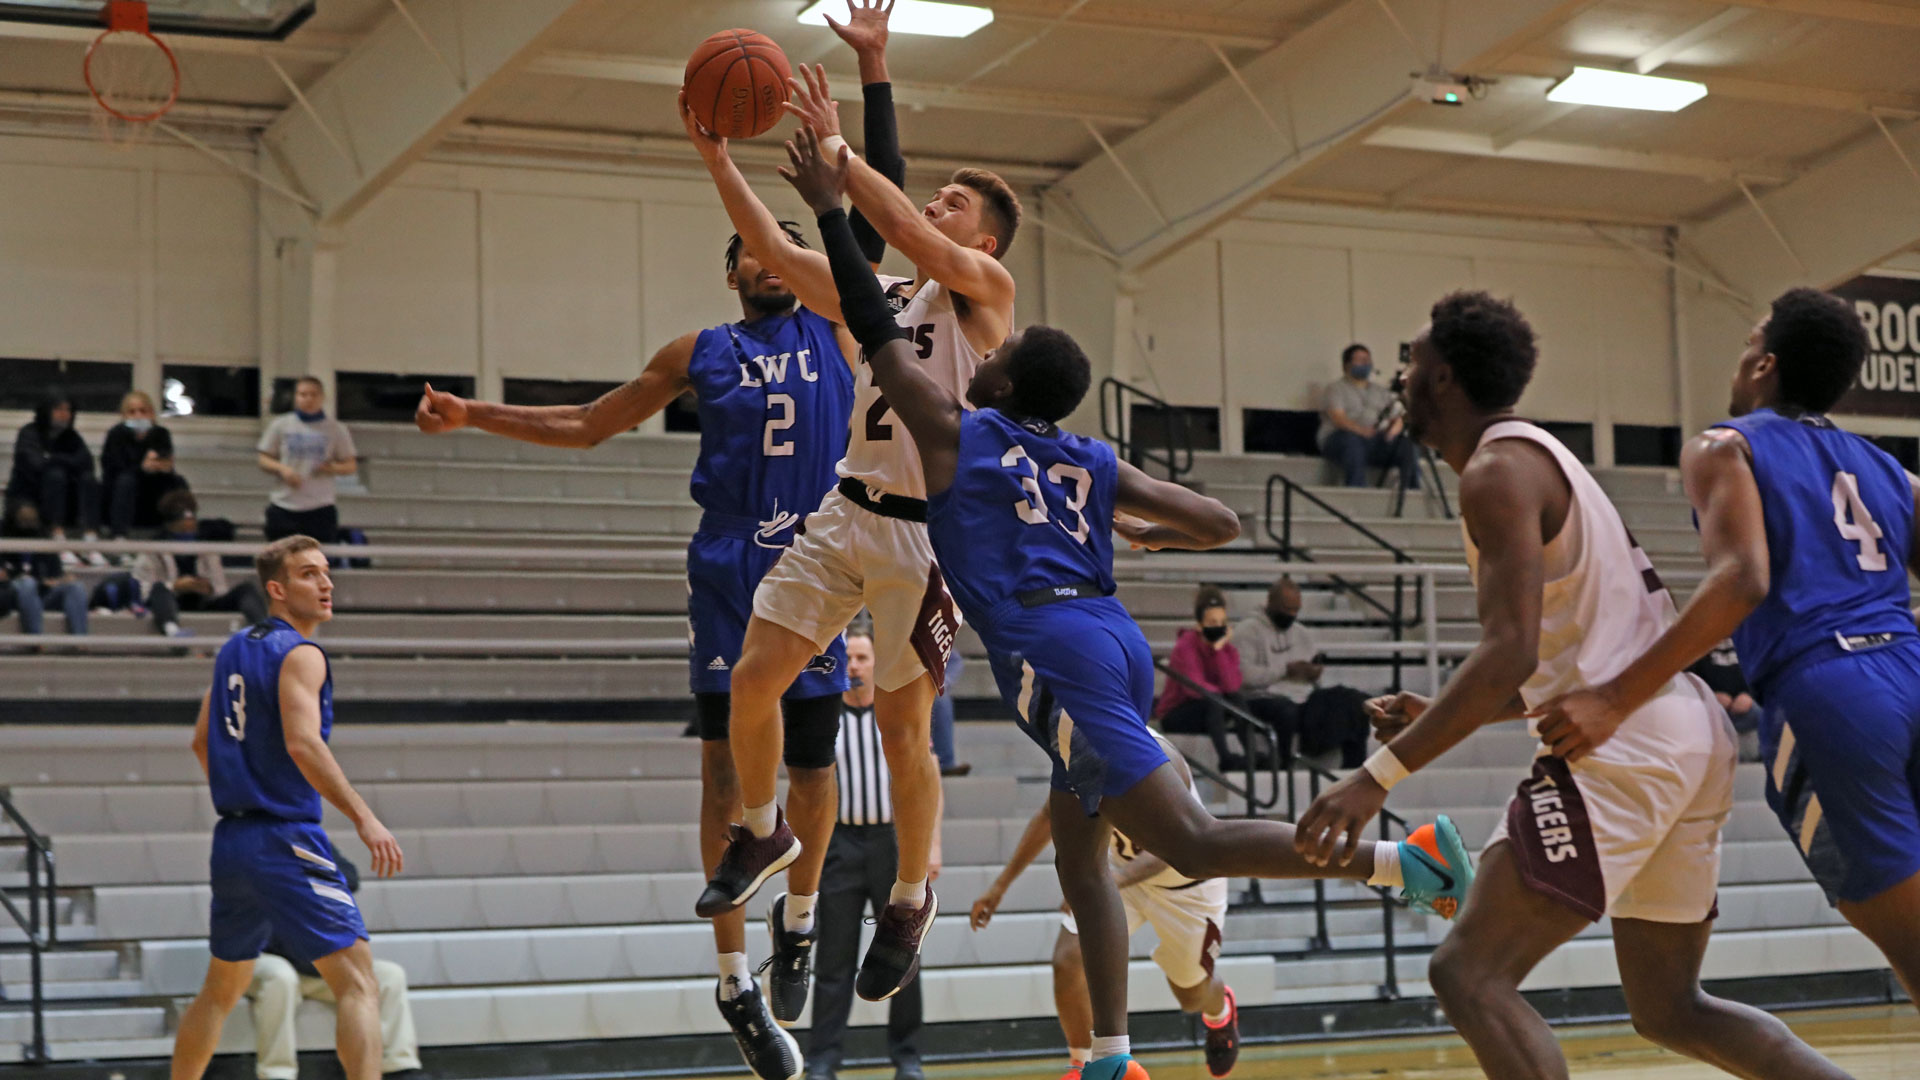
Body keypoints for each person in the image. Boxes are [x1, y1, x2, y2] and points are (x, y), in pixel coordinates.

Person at [780, 128, 1471, 1080]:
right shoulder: (1088, 457)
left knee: (1189, 837)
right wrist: (1139, 535)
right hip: (1110, 632)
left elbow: (872, 319)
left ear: (1006, 381)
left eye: (1000, 354)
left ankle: (1404, 862)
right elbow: (1223, 519)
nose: (983, 355)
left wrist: (828, 203)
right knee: (1081, 863)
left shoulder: (958, 434)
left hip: (1057, 649)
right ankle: (1110, 1055)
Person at [413, 49, 899, 1063]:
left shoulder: (838, 329)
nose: (770, 263)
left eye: (783, 250)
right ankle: (734, 987)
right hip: (729, 572)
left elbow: (864, 226)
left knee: (815, 773)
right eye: (751, 255)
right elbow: (589, 424)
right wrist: (473, 414)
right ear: (730, 272)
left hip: (817, 562)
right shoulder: (698, 352)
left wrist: (861, 98)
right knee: (726, 778)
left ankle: (799, 924)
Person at [1295, 291, 1847, 1080]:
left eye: (1412, 360)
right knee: (1671, 1008)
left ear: (1443, 377)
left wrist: (1372, 780)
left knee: (1468, 973)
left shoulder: (1495, 470)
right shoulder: (1537, 458)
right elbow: (1568, 655)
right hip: (1684, 730)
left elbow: (1508, 651)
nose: (1402, 374)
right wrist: (1455, 715)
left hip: (1629, 746)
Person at [696, 31, 1024, 1011]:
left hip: (928, 541)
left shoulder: (985, 299)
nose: (932, 211)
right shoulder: (878, 299)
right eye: (934, 197)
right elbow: (783, 254)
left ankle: (913, 895)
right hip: (844, 512)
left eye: (952, 206)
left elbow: (915, 237)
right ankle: (762, 829)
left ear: (988, 240)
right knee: (753, 681)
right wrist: (717, 159)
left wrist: (841, 153)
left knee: (899, 726)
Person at [1531, 287, 1920, 1021]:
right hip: (1908, 661)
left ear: (1764, 365)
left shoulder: (1725, 445)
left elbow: (1742, 577)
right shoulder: (1891, 472)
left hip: (1831, 689)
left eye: (1748, 344)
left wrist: (1613, 699)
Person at [170, 535, 406, 1080]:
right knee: (359, 982)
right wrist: (365, 818)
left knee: (220, 990)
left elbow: (201, 741)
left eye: (326, 572)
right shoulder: (301, 654)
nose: (325, 583)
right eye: (308, 574)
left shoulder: (231, 650)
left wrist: (243, 790)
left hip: (232, 841)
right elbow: (303, 743)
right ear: (276, 589)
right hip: (285, 836)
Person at [970, 732, 1240, 1080]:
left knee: (1191, 994)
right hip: (1120, 877)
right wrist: (999, 886)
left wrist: (1112, 880)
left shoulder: (1160, 759)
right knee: (1067, 961)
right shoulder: (1078, 747)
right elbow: (1049, 815)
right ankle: (1083, 1065)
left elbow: (1176, 849)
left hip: (1186, 884)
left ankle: (1221, 1012)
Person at [808, 627, 935, 1080]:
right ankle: (823, 1058)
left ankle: (907, 1056)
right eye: (851, 658)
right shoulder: (827, 718)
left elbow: (925, 778)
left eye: (863, 657)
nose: (857, 665)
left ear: (877, 662)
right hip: (840, 845)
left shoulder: (895, 714)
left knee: (902, 957)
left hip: (893, 846)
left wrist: (930, 846)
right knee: (833, 960)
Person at [248, 851, 423, 1080]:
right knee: (281, 977)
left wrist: (306, 877)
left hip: (318, 966)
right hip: (265, 959)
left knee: (389, 975)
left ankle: (400, 1068)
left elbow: (350, 876)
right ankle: (276, 1074)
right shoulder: (250, 841)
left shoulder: (308, 837)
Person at [131, 491, 269, 637]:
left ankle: (264, 632)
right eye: (182, 528)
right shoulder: (152, 550)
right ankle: (171, 631)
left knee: (246, 590)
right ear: (170, 525)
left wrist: (208, 589)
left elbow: (220, 588)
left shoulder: (205, 548)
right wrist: (176, 586)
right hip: (167, 604)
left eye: (192, 526)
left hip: (202, 603)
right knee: (159, 588)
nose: (188, 531)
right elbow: (143, 593)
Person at [1152, 587, 1256, 771]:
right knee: (1214, 701)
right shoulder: (1185, 646)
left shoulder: (1226, 649)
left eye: (1222, 621)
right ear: (1199, 624)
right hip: (1176, 713)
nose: (1218, 626)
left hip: (1209, 708)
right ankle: (1225, 759)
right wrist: (1221, 694)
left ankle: (1252, 756)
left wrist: (1218, 650)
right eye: (1212, 621)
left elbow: (1232, 686)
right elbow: (1195, 688)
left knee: (1237, 699)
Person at [6, 391, 107, 566]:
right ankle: (56, 535)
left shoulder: (72, 437)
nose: (64, 414)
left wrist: (53, 459)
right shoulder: (29, 433)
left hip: (65, 498)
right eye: (58, 409)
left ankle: (90, 539)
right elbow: (35, 465)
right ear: (47, 411)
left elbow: (85, 463)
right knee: (55, 476)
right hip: (30, 496)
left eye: (68, 410)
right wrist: (64, 463)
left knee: (88, 479)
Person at [259, 377, 357, 544]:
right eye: (303, 394)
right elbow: (263, 459)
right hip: (284, 504)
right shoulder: (281, 425)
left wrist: (332, 468)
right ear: (296, 397)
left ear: (322, 397)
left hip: (320, 506)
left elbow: (350, 465)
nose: (308, 399)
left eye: (313, 395)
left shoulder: (336, 429)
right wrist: (283, 469)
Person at [1317, 344, 1417, 490]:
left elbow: (1398, 416)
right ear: (1347, 364)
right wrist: (1361, 431)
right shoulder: (1335, 389)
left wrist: (1392, 431)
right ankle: (1357, 489)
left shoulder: (1381, 391)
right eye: (1360, 360)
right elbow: (1338, 418)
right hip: (1341, 439)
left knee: (1406, 444)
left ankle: (1412, 490)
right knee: (1352, 442)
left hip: (1376, 439)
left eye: (1367, 359)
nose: (1366, 363)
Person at [101, 390, 189, 538]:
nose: (138, 416)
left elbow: (165, 458)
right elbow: (114, 468)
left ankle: (179, 530)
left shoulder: (161, 433)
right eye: (132, 412)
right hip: (123, 491)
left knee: (178, 482)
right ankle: (119, 534)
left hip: (153, 489)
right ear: (124, 416)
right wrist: (141, 468)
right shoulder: (116, 434)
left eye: (143, 411)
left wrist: (163, 466)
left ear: (152, 414)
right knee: (126, 480)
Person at [0, 502, 88, 637]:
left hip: (43, 595)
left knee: (76, 587)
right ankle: (36, 639)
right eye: (23, 519)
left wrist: (61, 580)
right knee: (27, 584)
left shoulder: (43, 537)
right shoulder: (5, 537)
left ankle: (81, 640)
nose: (28, 522)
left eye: (31, 520)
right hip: (14, 594)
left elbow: (56, 574)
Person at [1687, 639, 1762, 763]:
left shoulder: (1748, 639)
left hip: (1747, 706)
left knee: (1770, 716)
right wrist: (1709, 696)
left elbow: (1763, 672)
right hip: (1708, 707)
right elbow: (1686, 678)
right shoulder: (1697, 641)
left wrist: (1750, 695)